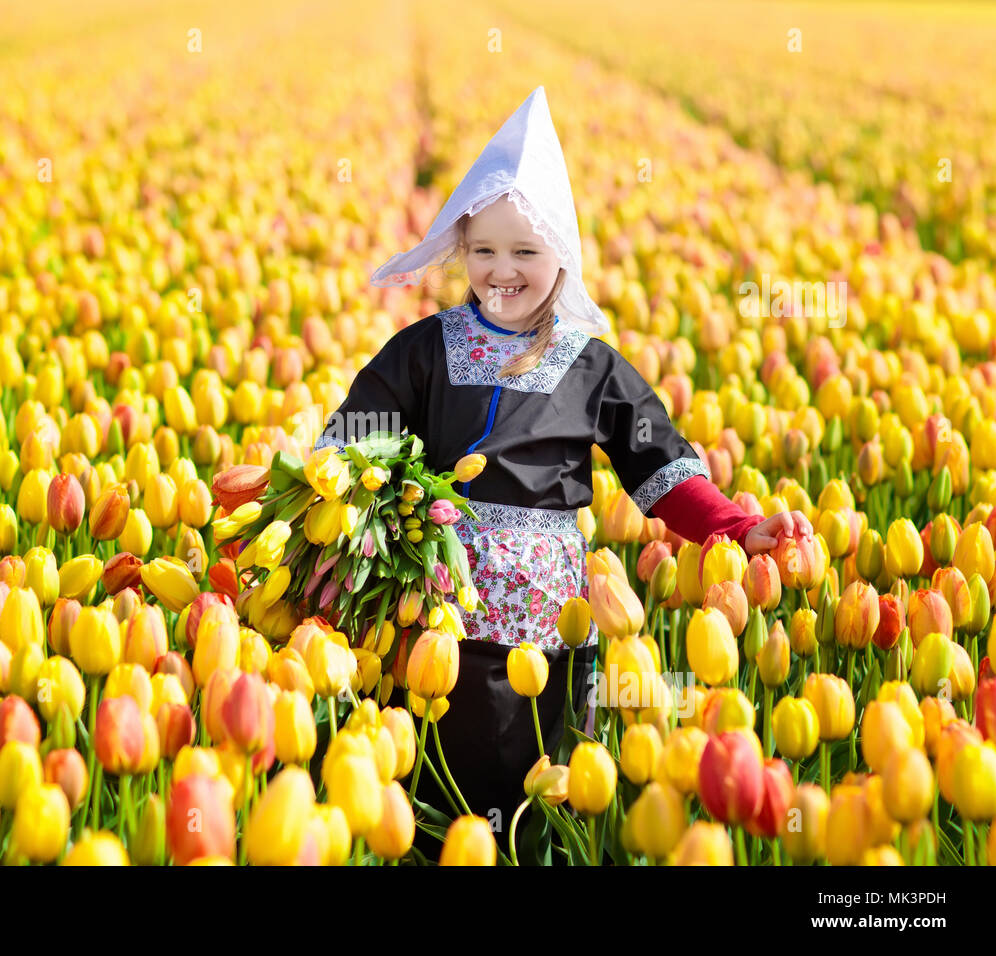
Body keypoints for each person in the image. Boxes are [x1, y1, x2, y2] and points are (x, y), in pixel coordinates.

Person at [312, 87, 814, 862]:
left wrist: (740, 528)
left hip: (555, 632)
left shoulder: (591, 366)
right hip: (440, 620)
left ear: (562, 257)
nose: (502, 272)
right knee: (441, 800)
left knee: (536, 799)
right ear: (459, 248)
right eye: (484, 251)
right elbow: (353, 441)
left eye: (526, 253)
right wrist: (311, 488)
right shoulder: (423, 350)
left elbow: (660, 467)